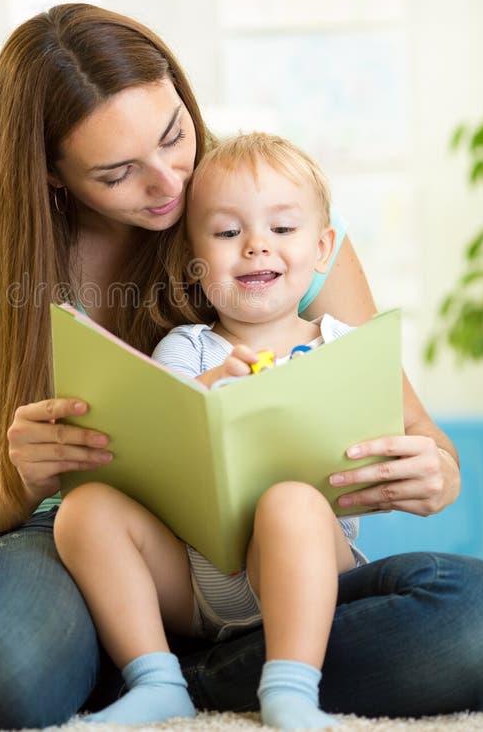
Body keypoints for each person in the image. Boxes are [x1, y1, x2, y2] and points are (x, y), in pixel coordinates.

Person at [0, 4, 483, 730]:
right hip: (95, 548)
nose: (170, 181)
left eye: (173, 134)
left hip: (273, 553)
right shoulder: (6, 255)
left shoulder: (266, 215)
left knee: (481, 624)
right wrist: (23, 477)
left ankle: (162, 678)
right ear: (53, 176)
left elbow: (421, 435)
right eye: (117, 173)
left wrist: (433, 472)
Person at [54, 132, 369, 729]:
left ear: (323, 247)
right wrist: (206, 386)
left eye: (282, 230)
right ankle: (156, 678)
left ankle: (291, 689)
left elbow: (372, 455)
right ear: (197, 264)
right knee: (85, 508)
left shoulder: (342, 348)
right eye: (228, 234)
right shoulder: (185, 348)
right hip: (197, 579)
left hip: (309, 566)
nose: (256, 248)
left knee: (291, 503)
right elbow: (153, 440)